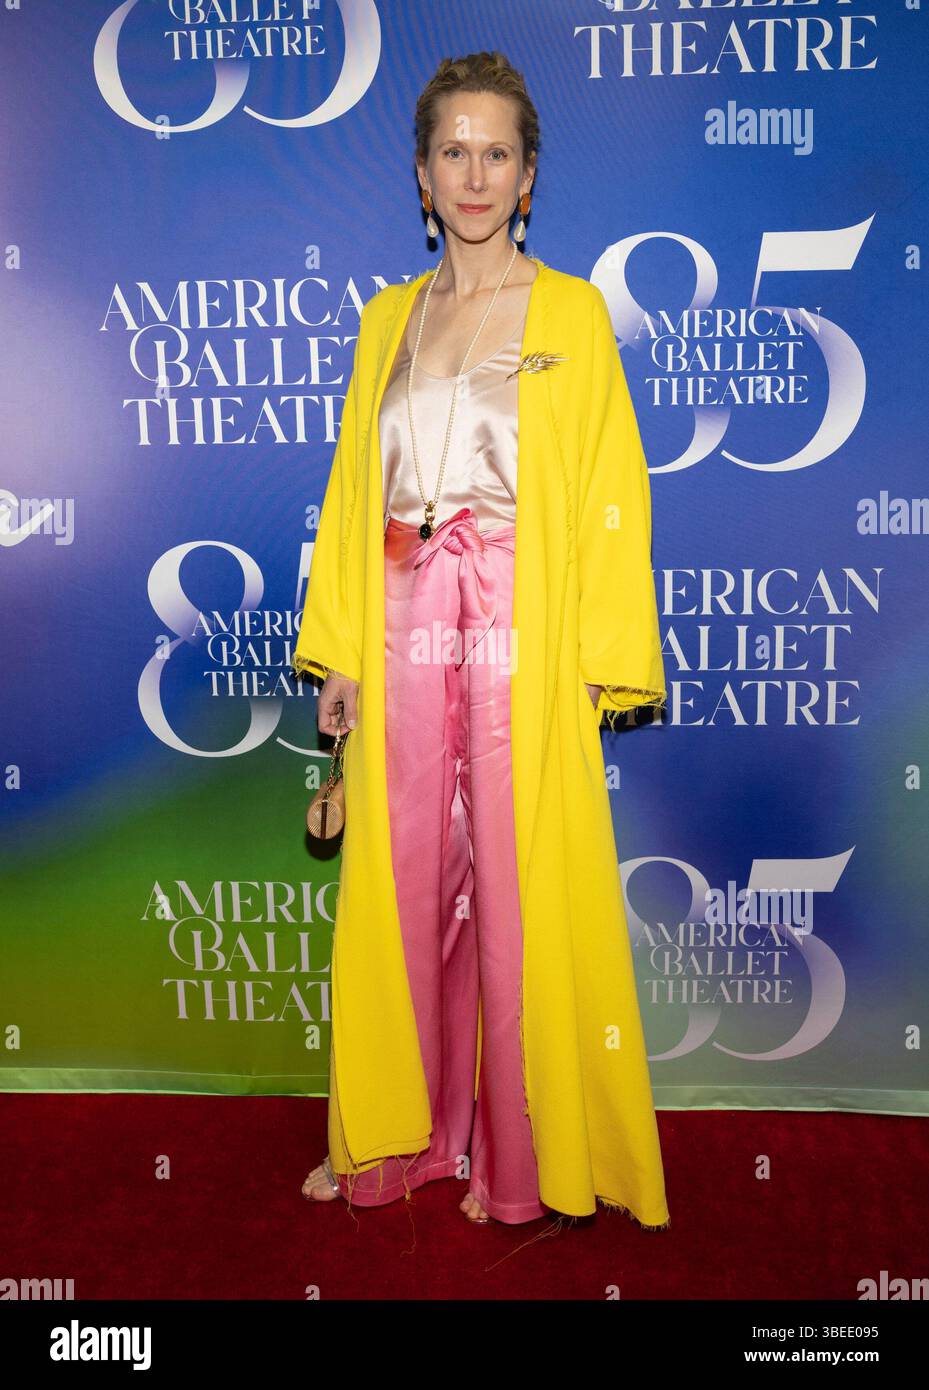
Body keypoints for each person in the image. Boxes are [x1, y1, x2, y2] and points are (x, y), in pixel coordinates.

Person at [295, 51, 670, 1230]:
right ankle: (397, 1135)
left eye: (494, 151)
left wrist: (604, 650)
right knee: (402, 882)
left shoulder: (571, 312)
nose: (472, 172)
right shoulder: (382, 323)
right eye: (451, 150)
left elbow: (614, 485)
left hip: (524, 629)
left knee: (515, 889)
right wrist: (344, 650)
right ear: (419, 174)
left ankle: (527, 1155)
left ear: (526, 175)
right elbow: (354, 491)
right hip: (402, 621)